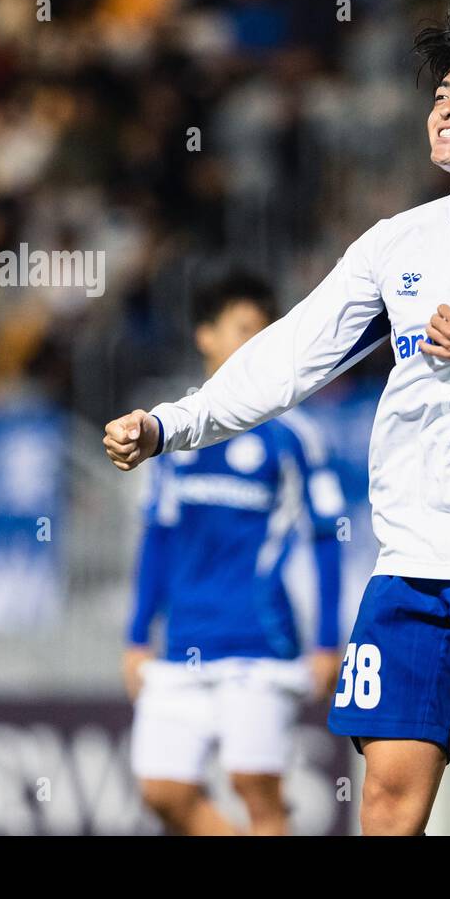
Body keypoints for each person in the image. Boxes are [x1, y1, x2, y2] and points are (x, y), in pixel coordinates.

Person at [103, 0, 450, 836]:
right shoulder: (394, 243)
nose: (447, 104)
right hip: (408, 562)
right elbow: (288, 354)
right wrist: (174, 424)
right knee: (391, 796)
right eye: (443, 92)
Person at [124, 271, 346, 835]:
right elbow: (158, 539)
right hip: (182, 644)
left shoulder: (291, 435)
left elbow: (327, 541)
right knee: (163, 791)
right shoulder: (171, 433)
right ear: (206, 336)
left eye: (264, 330)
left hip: (259, 644)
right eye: (244, 328)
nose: (256, 341)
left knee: (258, 792)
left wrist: (326, 640)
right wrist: (135, 635)